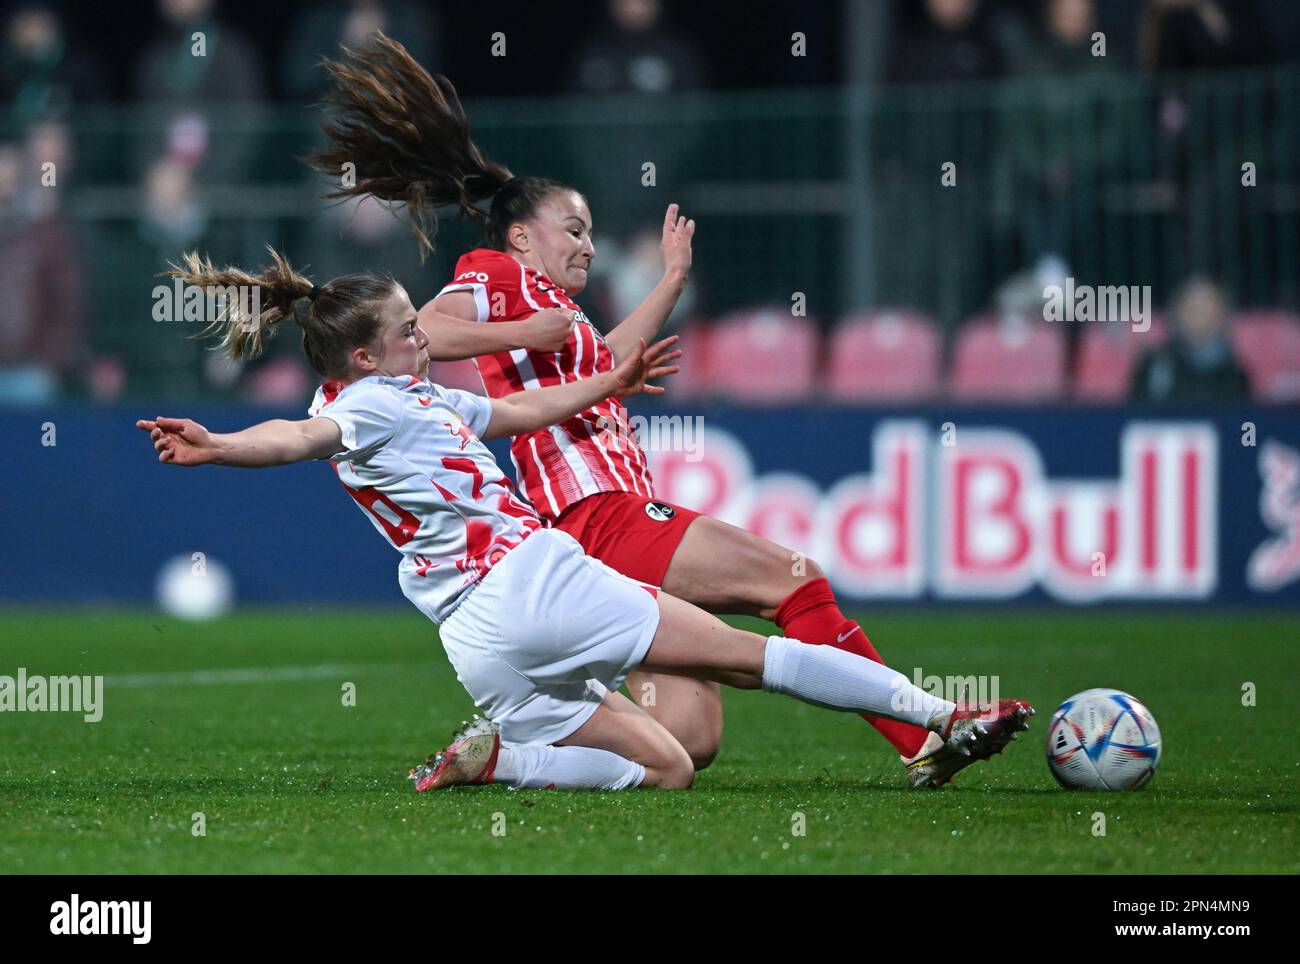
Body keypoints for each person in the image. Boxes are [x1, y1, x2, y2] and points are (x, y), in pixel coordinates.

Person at [305, 34, 999, 788]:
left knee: (688, 743)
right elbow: (430, 331)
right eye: (574, 228)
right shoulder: (499, 273)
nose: (589, 246)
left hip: (590, 535)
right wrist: (521, 331)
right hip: (592, 512)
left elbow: (601, 361)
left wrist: (668, 284)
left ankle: (520, 740)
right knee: (792, 580)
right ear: (520, 237)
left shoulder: (557, 309)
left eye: (592, 233)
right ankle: (922, 735)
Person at [138, 249, 1034, 791]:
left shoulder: (415, 398)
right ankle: (942, 718)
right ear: (367, 353)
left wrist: (607, 383)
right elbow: (298, 435)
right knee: (756, 658)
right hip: (536, 581)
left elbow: (520, 416)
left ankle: (501, 763)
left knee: (671, 766)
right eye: (412, 326)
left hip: (475, 638)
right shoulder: (367, 404)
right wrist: (219, 445)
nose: (427, 334)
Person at [1130, 276, 1250, 403]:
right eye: (1192, 310)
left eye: (1208, 310)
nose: (1200, 320)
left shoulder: (1235, 374)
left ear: (1222, 317)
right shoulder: (1154, 366)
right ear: (1176, 314)